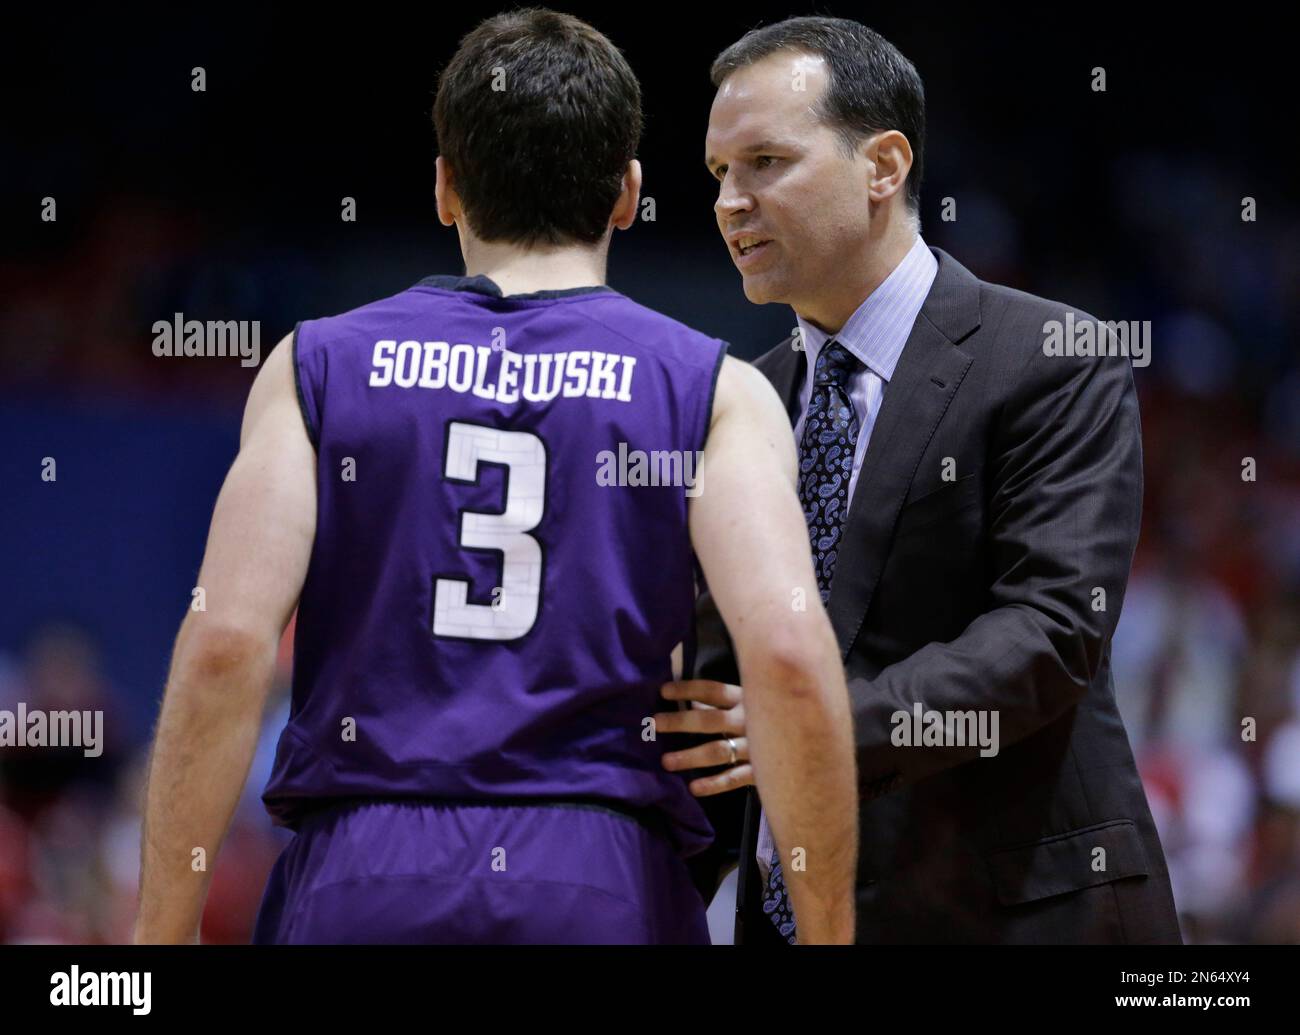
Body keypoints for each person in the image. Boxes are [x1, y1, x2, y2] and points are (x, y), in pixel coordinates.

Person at [133, 8, 857, 946]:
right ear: (629, 193)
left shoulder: (316, 365)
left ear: (444, 187)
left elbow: (227, 643)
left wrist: (156, 937)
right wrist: (831, 932)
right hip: (601, 879)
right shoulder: (714, 390)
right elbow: (793, 664)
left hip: (362, 874)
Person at [660, 16, 1181, 944]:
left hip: (1014, 913)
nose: (729, 201)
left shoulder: (1055, 356)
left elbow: (1052, 631)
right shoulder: (739, 402)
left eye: (765, 162)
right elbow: (720, 711)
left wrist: (814, 729)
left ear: (884, 166)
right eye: (717, 174)